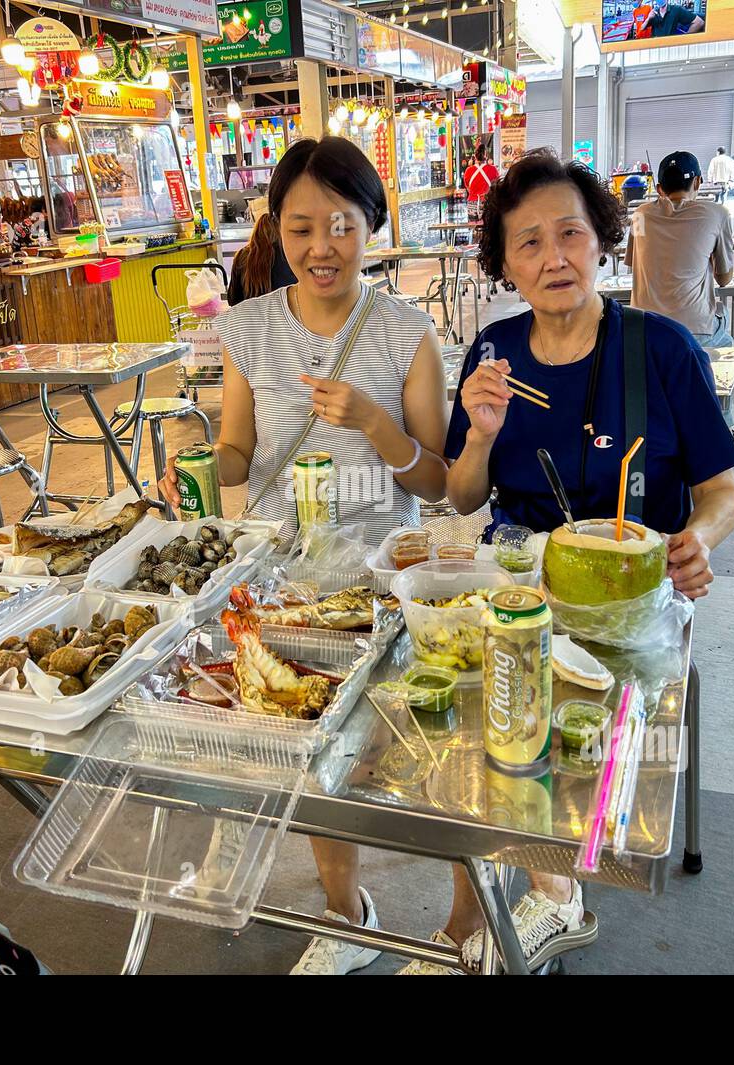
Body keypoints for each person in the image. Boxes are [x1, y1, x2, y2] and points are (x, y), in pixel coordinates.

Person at [408, 150, 734, 973]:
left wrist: (697, 539)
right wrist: (480, 433)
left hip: (631, 600)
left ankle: (551, 897)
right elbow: (458, 496)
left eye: (569, 233)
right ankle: (467, 921)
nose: (553, 257)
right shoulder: (493, 349)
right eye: (528, 243)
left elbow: (722, 491)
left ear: (603, 240)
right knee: (468, 736)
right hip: (517, 584)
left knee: (554, 736)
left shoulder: (660, 349)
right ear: (505, 263)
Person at [158, 137, 449, 975]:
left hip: (373, 577)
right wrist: (197, 471)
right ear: (276, 231)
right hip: (277, 575)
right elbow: (240, 450)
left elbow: (436, 476)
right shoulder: (247, 329)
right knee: (298, 752)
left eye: (342, 224)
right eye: (301, 227)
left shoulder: (405, 331)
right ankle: (346, 916)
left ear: (370, 226)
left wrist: (373, 423)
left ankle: (419, 910)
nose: (321, 246)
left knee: (361, 753)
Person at [626, 150, 734, 347]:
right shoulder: (718, 214)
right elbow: (724, 279)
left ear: (659, 189)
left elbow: (635, 264)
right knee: (725, 334)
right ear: (697, 182)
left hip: (643, 330)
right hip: (695, 332)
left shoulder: (639, 215)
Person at [226, 212, 296, 305]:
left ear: (256, 231)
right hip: (280, 314)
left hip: (249, 315)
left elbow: (232, 299)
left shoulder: (242, 256)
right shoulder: (288, 255)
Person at [463, 144, 500, 219]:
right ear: (486, 156)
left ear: (475, 156)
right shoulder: (493, 169)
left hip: (472, 204)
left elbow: (468, 188)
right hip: (488, 203)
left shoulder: (468, 170)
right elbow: (497, 186)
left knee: (474, 227)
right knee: (489, 228)